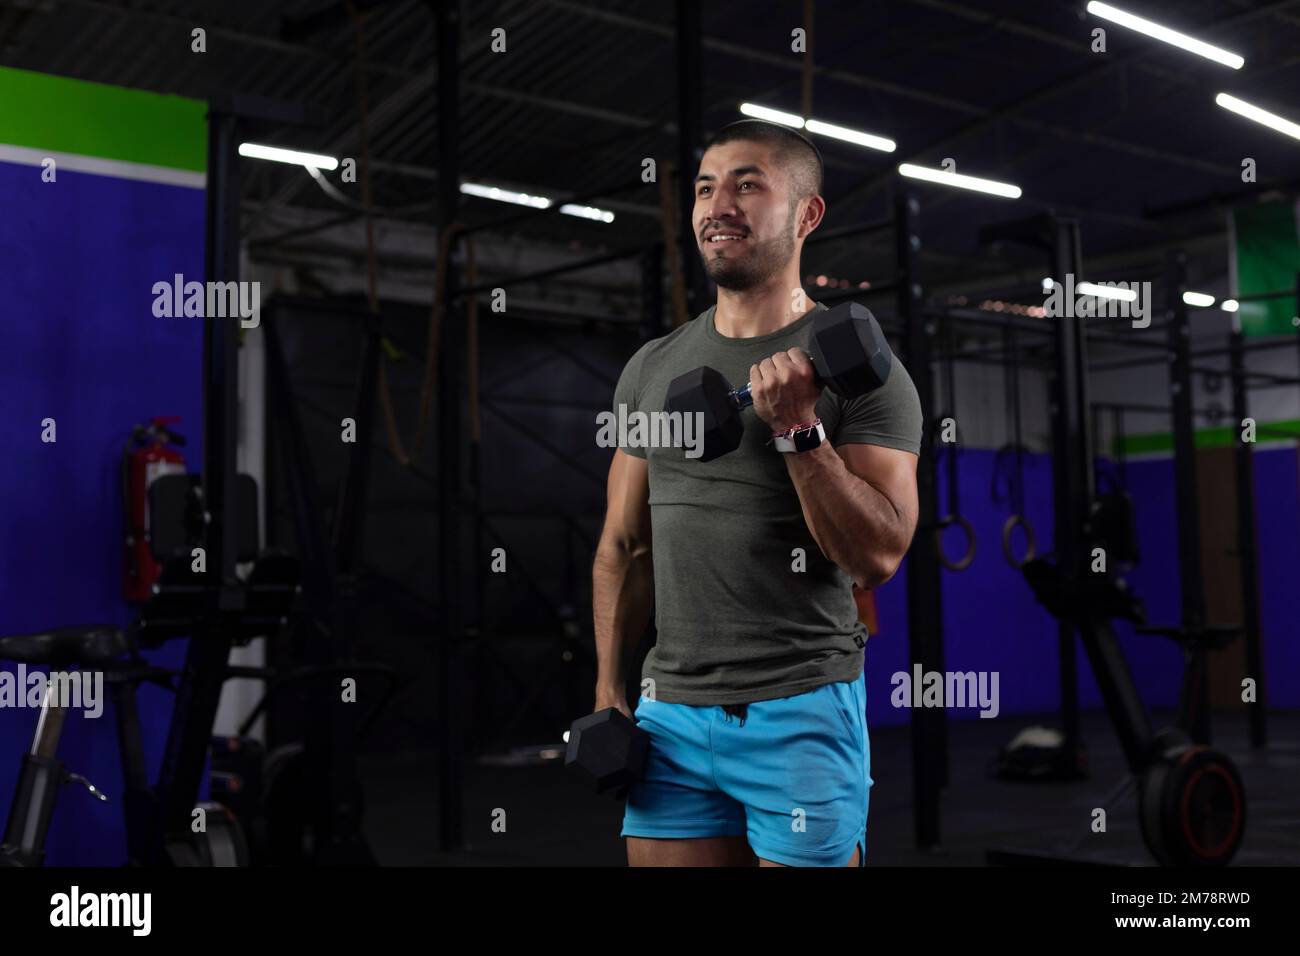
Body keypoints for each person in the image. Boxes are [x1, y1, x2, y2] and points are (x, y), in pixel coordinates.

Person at [592, 119, 922, 867]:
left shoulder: (865, 371)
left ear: (807, 215)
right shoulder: (651, 366)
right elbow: (623, 543)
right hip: (669, 710)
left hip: (800, 705)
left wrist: (800, 431)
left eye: (748, 184)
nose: (718, 204)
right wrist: (609, 685)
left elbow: (878, 556)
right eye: (707, 187)